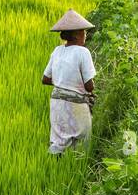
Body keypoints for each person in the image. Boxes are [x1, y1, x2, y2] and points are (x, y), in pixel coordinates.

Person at [42, 9, 97, 157]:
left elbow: (45, 79)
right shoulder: (83, 52)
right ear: (77, 34)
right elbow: (89, 86)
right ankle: (75, 168)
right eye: (84, 32)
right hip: (76, 103)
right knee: (82, 139)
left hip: (57, 101)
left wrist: (63, 82)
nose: (85, 35)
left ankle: (52, 166)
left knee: (59, 140)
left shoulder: (57, 51)